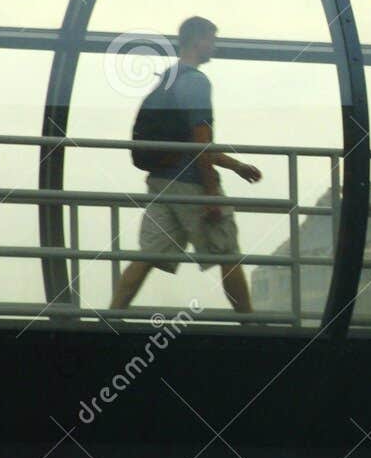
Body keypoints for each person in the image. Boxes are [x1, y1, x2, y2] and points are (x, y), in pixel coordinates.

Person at [110, 16, 263, 314]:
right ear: (198, 40)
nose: (214, 47)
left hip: (160, 182)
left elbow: (186, 142)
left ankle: (110, 317)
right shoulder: (196, 82)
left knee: (149, 255)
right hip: (191, 184)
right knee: (227, 252)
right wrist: (210, 193)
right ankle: (251, 325)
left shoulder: (168, 79)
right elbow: (200, 144)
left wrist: (236, 166)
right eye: (212, 39)